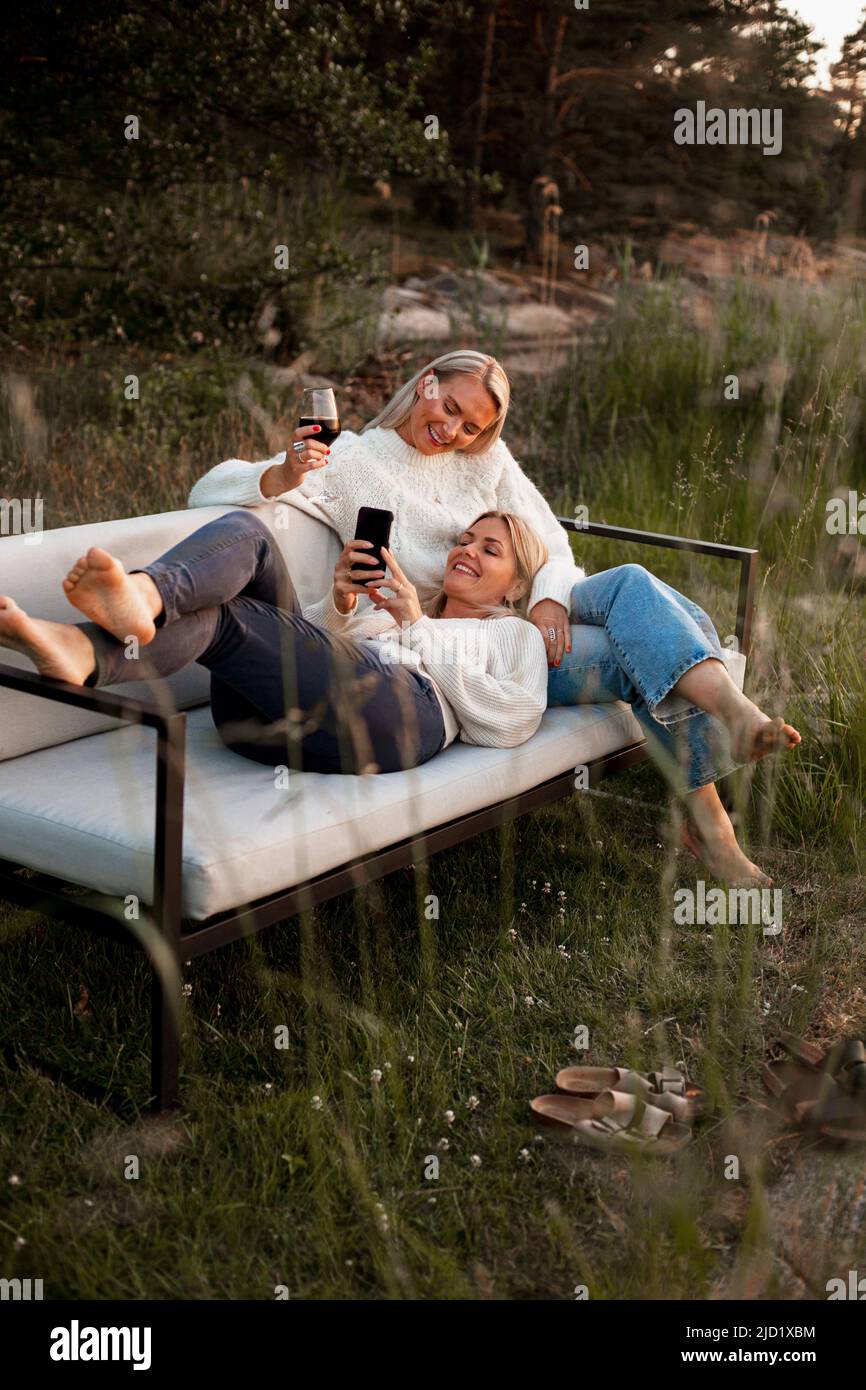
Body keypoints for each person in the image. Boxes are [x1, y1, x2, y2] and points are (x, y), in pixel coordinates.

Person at [187, 349, 801, 882]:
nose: (452, 430)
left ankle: (732, 727)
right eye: (449, 409)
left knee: (633, 589)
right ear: (425, 383)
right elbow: (208, 495)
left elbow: (552, 543)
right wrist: (286, 471)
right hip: (462, 634)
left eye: (471, 424)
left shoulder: (486, 460)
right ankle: (714, 815)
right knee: (655, 634)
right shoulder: (349, 461)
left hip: (519, 606)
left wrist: (547, 599)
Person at [0, 508, 551, 774]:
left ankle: (90, 649)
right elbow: (294, 642)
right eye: (465, 539)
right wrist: (339, 604)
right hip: (259, 720)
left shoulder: (512, 633)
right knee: (252, 535)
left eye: (490, 550)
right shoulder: (397, 609)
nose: (468, 551)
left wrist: (416, 626)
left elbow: (513, 720)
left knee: (228, 620)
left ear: (518, 585)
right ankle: (142, 599)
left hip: (400, 719)